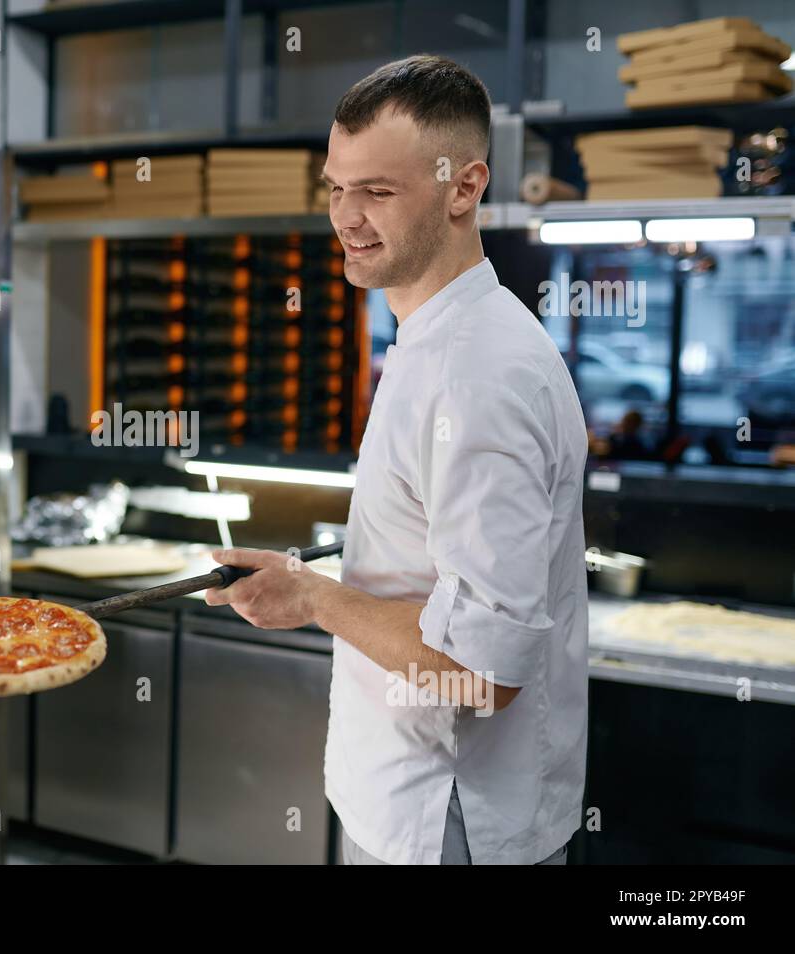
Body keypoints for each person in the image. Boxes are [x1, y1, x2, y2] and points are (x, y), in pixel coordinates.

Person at [205, 55, 589, 865]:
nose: (347, 216)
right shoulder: (431, 338)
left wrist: (313, 598)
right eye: (335, 188)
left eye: (377, 191)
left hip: (449, 822)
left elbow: (482, 677)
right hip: (408, 803)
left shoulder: (481, 372)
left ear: (464, 186)